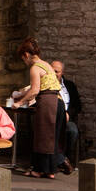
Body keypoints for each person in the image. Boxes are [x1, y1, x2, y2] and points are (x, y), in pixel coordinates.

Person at [12, 37, 66, 179]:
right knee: (51, 138)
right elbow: (38, 87)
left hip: (48, 103)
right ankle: (50, 170)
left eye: (23, 59)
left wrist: (19, 102)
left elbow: (35, 90)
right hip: (58, 102)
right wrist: (22, 93)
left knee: (42, 137)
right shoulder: (46, 65)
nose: (25, 62)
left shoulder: (35, 68)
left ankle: (39, 170)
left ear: (26, 55)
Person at [51, 59, 81, 175]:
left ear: (62, 72)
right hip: (52, 119)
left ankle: (65, 158)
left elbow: (78, 105)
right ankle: (60, 160)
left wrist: (68, 113)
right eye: (52, 71)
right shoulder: (46, 85)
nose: (54, 74)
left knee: (72, 130)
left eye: (57, 71)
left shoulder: (70, 86)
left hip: (67, 119)